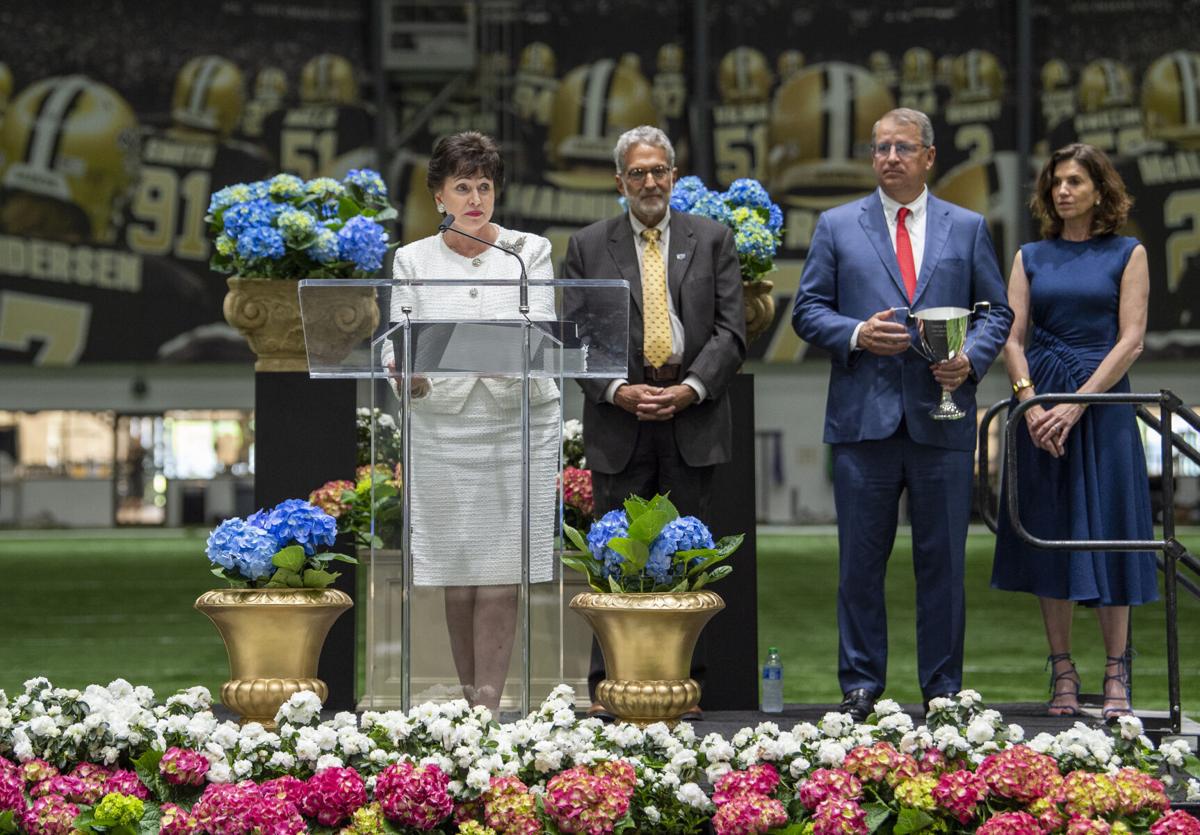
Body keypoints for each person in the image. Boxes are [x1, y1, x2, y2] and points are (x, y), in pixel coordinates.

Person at [792, 107, 1012, 721]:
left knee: (942, 562)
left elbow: (996, 311)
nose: (890, 157)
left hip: (943, 415)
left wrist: (970, 360)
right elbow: (807, 310)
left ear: (929, 157)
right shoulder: (837, 225)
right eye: (881, 148)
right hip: (864, 422)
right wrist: (857, 331)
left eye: (903, 148)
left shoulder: (966, 227)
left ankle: (942, 690)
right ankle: (861, 685)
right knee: (859, 565)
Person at [562, 125, 745, 718]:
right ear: (620, 182)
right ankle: (611, 685)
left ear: (674, 176)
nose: (649, 182)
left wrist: (689, 389)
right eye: (637, 172)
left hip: (692, 420)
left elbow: (730, 332)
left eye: (659, 170)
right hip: (621, 424)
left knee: (687, 557)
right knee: (615, 556)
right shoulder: (589, 245)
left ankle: (684, 685)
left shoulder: (712, 238)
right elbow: (575, 337)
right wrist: (617, 390)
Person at [387, 131, 559, 713]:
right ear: (439, 195)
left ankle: (492, 700)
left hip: (515, 424)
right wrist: (403, 374)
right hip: (441, 425)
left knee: (502, 569)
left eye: (484, 185)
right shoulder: (411, 259)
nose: (475, 197)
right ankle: (470, 706)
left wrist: (472, 348)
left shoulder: (528, 251)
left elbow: (539, 333)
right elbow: (399, 346)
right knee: (456, 568)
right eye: (462, 186)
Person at [991, 143, 1157, 721]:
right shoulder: (1030, 255)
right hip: (1041, 409)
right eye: (1057, 182)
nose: (1063, 191)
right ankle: (1062, 670)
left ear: (1099, 190)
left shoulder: (1127, 252)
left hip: (1103, 407)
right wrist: (1031, 404)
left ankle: (1117, 673)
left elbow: (1131, 339)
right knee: (1051, 535)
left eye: (1075, 182)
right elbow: (1012, 337)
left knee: (1112, 535)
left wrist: (1076, 405)